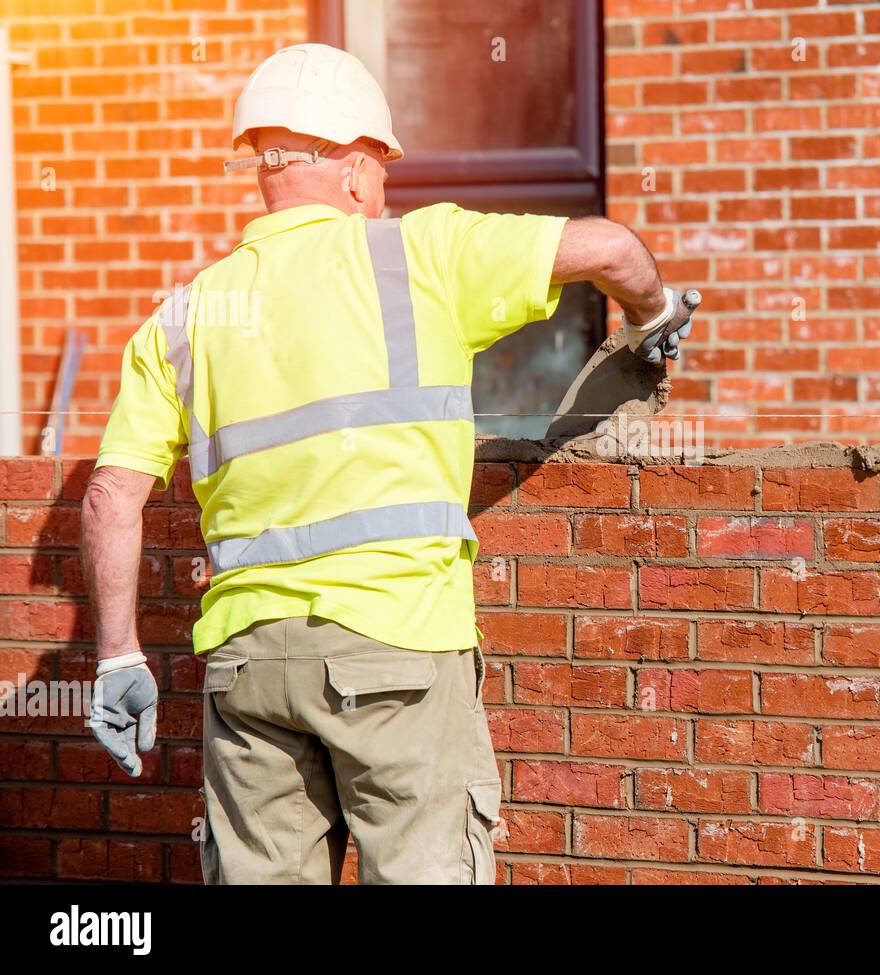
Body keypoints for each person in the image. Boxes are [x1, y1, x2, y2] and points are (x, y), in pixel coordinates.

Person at [82, 43, 695, 884]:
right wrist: (654, 316)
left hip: (247, 666)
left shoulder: (186, 315)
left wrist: (117, 656)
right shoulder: (419, 254)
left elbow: (111, 492)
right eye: (382, 171)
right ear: (355, 168)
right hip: (397, 647)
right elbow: (614, 250)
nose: (384, 193)